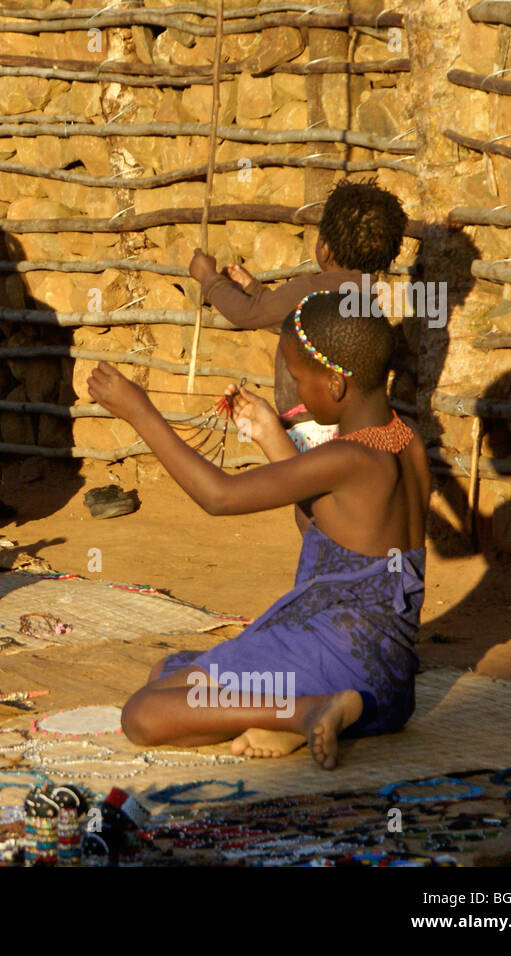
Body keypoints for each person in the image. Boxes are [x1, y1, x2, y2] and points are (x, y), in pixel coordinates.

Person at [88, 291, 430, 769]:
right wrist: (271, 433)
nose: (293, 388)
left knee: (143, 713)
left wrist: (139, 411)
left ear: (334, 384)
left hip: (340, 660)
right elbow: (327, 522)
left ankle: (305, 711)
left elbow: (219, 496)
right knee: (167, 674)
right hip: (388, 682)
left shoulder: (347, 457)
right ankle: (296, 717)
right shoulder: (403, 441)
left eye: (297, 377)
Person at [187, 179, 407, 451]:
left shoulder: (311, 289)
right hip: (354, 430)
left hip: (309, 428)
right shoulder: (370, 296)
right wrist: (253, 289)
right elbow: (298, 329)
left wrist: (208, 278)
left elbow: (248, 314)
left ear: (325, 248)